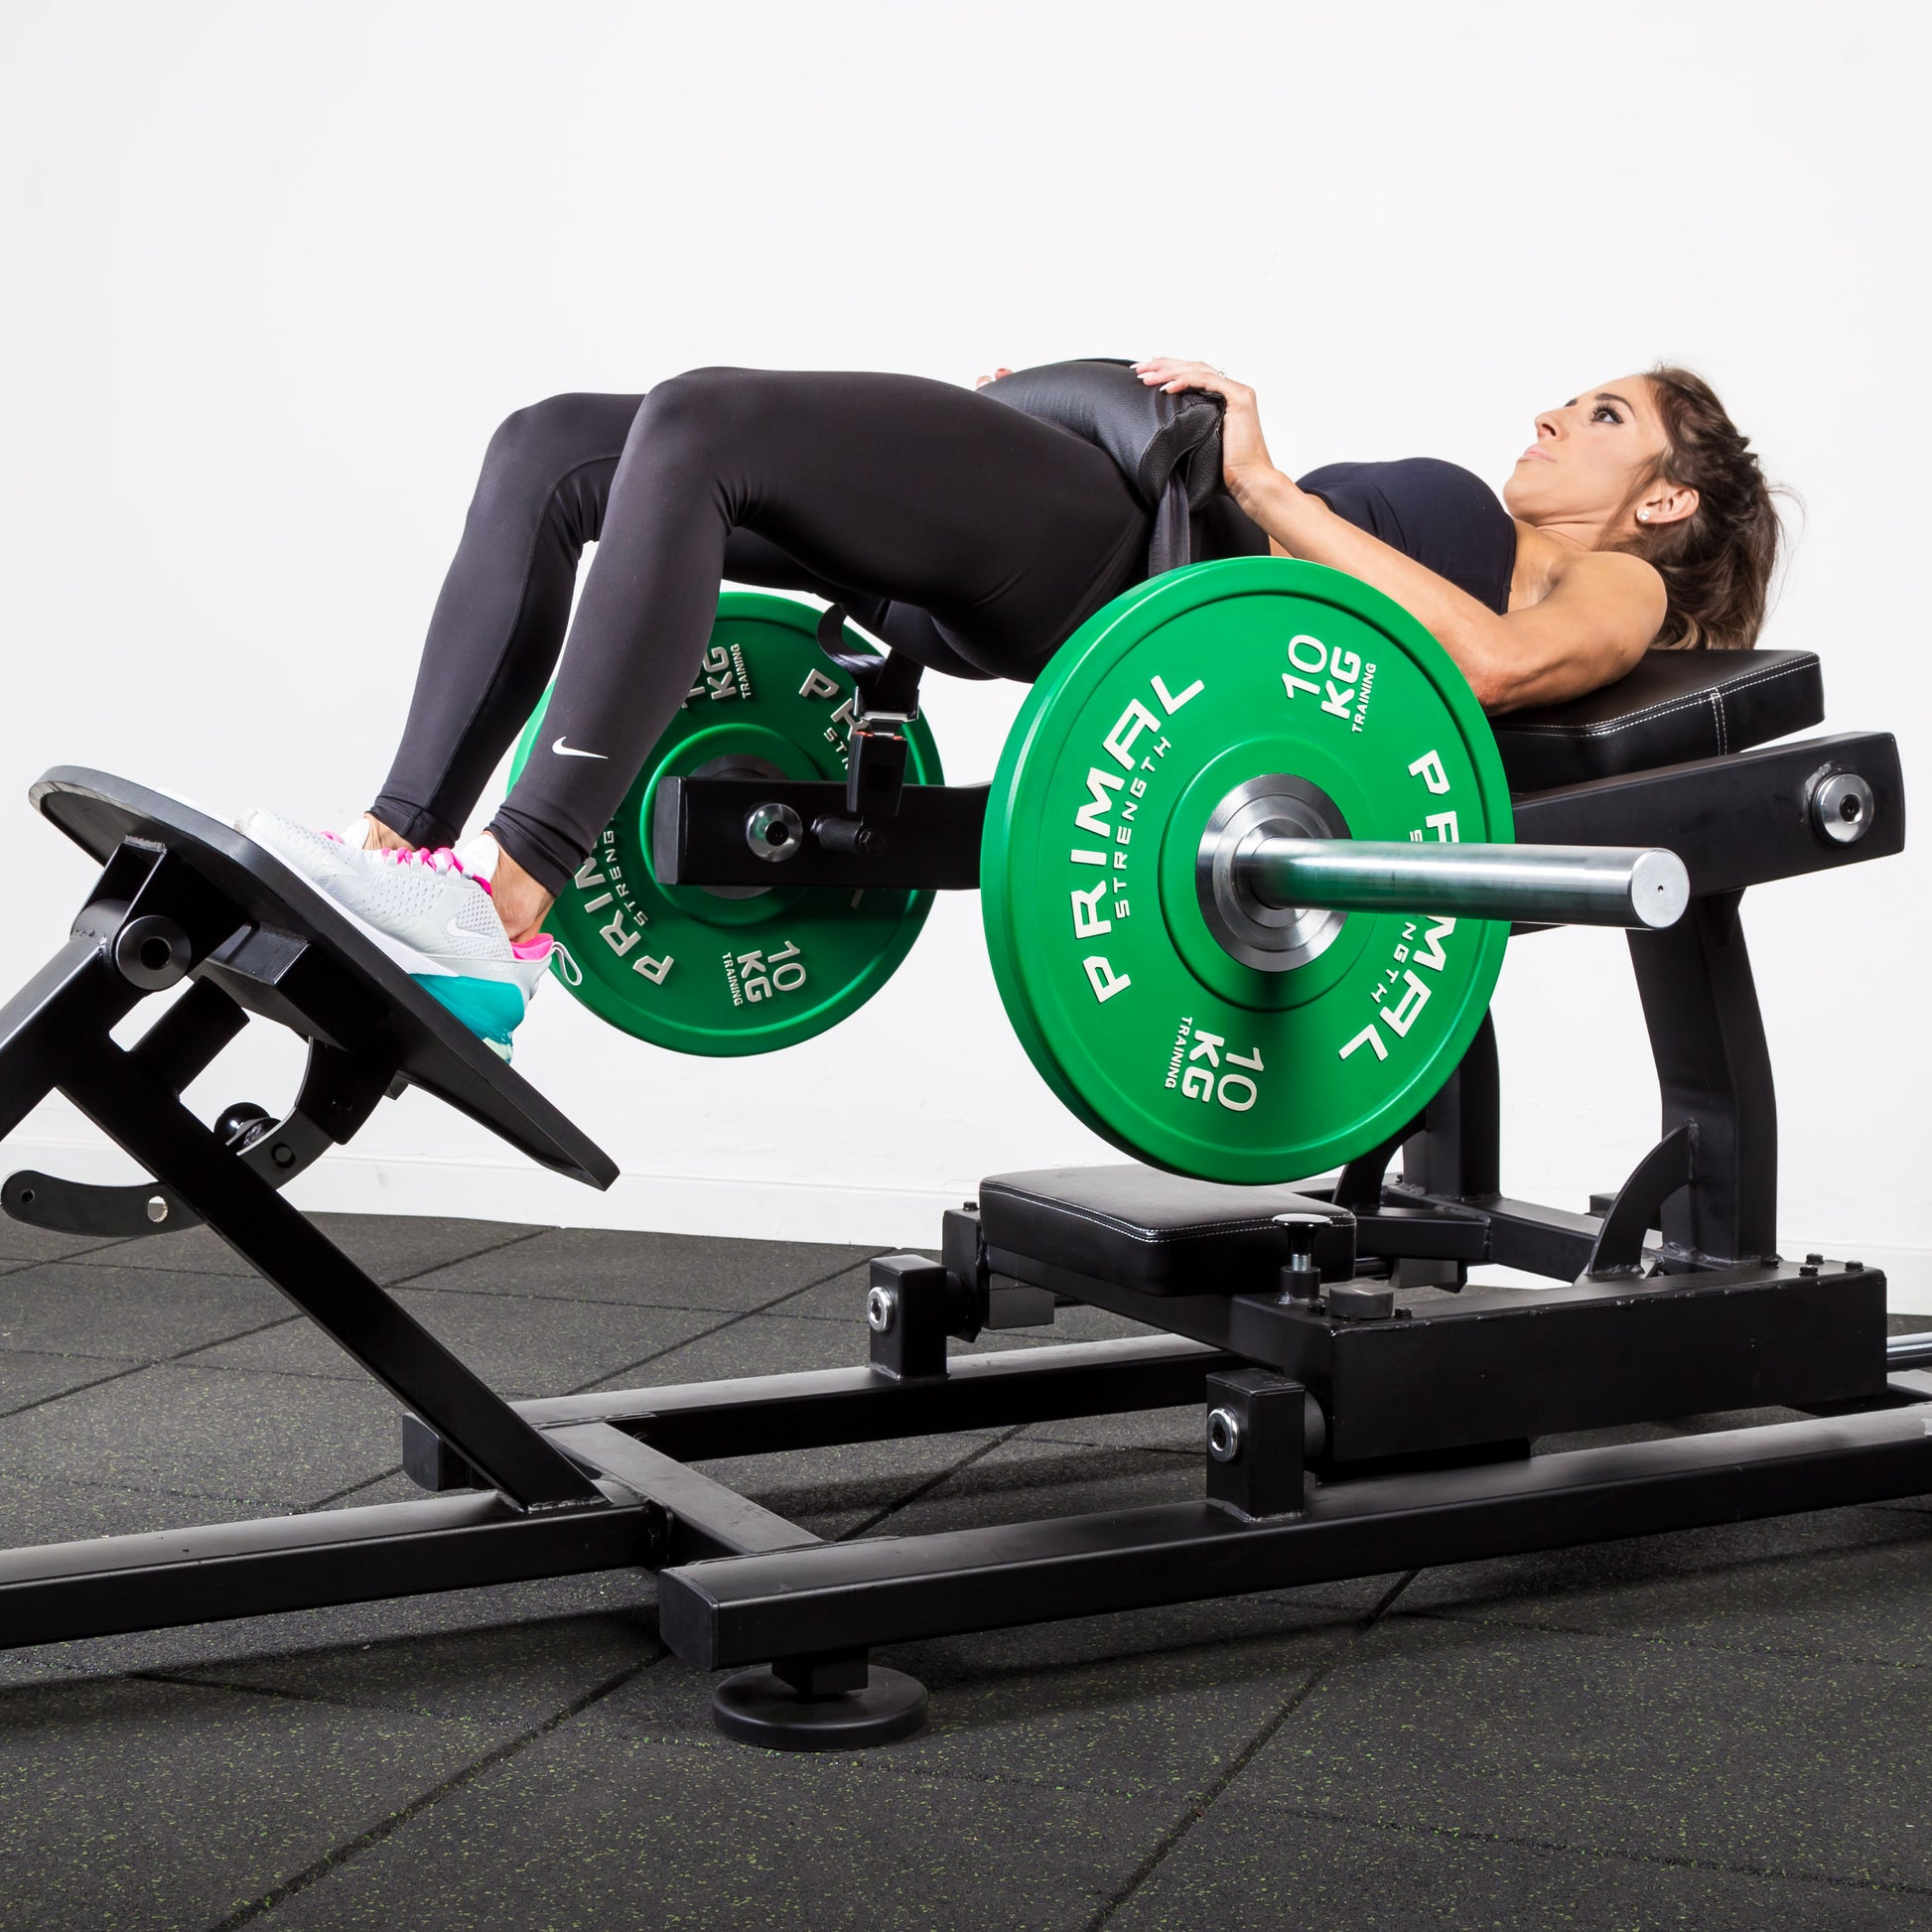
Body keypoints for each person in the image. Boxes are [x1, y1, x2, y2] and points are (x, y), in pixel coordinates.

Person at [239, 357, 1783, 1057]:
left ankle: (509, 900)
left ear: (1659, 502)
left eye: (1598, 416)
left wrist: (1250, 475)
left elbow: (1494, 675)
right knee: (557, 446)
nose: (1543, 415)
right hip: (1102, 530)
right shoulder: (1493, 529)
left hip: (1123, 563)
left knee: (704, 420)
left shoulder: (1610, 590)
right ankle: (404, 863)